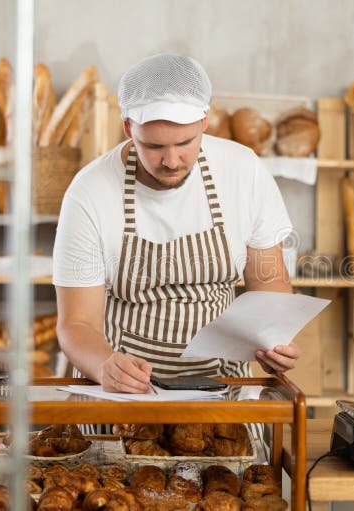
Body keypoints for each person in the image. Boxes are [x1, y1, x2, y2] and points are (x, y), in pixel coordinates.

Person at [53, 53, 299, 397]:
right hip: (123, 394)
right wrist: (104, 366)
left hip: (222, 387)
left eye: (184, 144)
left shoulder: (243, 171)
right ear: (128, 128)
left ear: (204, 122)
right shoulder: (90, 192)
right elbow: (76, 323)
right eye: (153, 147)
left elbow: (267, 280)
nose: (170, 161)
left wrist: (274, 338)